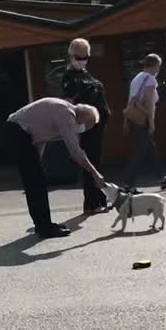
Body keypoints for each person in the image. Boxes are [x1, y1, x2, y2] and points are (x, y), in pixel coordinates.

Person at [5, 98, 107, 239]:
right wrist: (95, 173)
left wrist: (37, 163)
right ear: (83, 117)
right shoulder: (66, 113)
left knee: (37, 180)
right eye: (86, 126)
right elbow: (75, 152)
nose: (82, 130)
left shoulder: (63, 110)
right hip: (18, 131)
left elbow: (41, 138)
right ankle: (44, 228)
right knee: (36, 183)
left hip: (19, 132)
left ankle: (43, 225)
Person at [61, 38, 111, 215]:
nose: (82, 60)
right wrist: (75, 130)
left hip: (98, 125)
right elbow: (68, 104)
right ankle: (91, 203)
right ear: (71, 56)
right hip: (87, 126)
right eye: (79, 57)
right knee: (90, 162)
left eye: (85, 57)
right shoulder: (69, 77)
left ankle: (100, 198)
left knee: (97, 160)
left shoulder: (85, 73)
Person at [124, 53, 166, 193]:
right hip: (142, 120)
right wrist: (151, 122)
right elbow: (149, 103)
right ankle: (129, 185)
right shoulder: (150, 79)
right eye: (158, 66)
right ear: (154, 66)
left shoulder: (137, 78)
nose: (159, 69)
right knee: (140, 152)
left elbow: (132, 100)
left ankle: (162, 179)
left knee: (150, 150)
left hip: (134, 118)